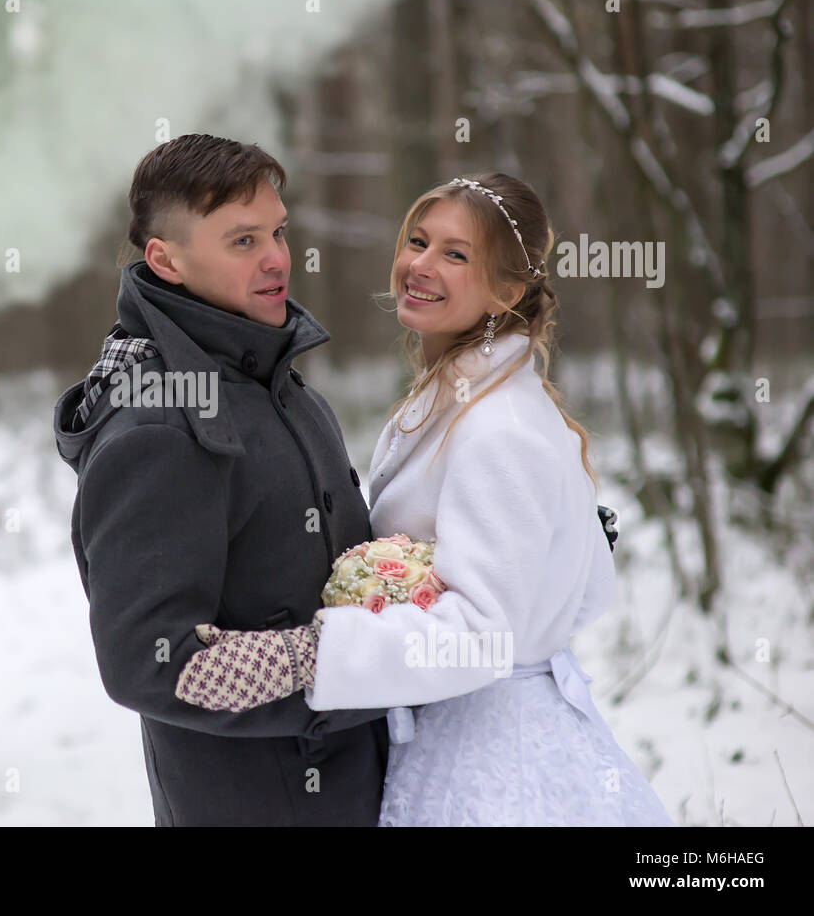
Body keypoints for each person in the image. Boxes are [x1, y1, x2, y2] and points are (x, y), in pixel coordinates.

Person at [175, 173, 673, 826]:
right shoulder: (454, 403)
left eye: (456, 254)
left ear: (509, 290)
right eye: (418, 240)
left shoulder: (499, 427)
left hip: (494, 762)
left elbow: (483, 634)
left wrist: (305, 656)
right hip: (453, 727)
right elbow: (578, 589)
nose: (420, 264)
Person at [53, 133, 390, 825]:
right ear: (166, 260)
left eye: (278, 232)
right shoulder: (158, 426)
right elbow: (152, 660)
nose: (276, 259)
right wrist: (331, 659)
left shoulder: (282, 388)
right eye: (242, 241)